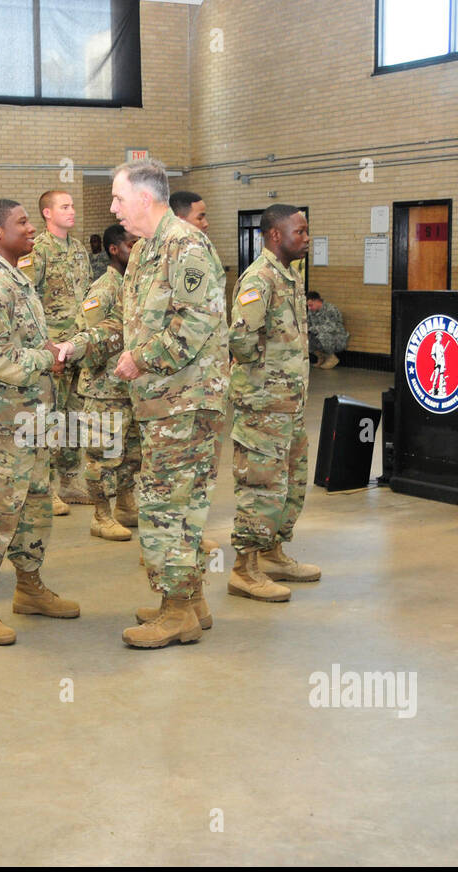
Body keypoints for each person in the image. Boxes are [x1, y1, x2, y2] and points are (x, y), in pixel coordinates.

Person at [107, 159, 229, 649]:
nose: (114, 208)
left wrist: (140, 359)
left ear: (144, 197)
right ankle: (189, 601)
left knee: (168, 507)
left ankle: (176, 610)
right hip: (162, 401)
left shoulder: (185, 245)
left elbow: (193, 327)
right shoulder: (144, 252)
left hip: (185, 401)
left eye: (118, 198)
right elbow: (135, 319)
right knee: (181, 502)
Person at [0, 199, 79, 645]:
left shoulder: (18, 280)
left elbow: (26, 342)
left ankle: (29, 588)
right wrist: (46, 359)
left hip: (31, 418)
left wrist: (55, 350)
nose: (30, 229)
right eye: (22, 222)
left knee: (35, 505)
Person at [226, 204, 322, 603]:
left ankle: (273, 551)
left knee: (291, 481)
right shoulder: (259, 279)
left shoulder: (292, 276)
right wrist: (262, 380)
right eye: (299, 232)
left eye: (306, 231)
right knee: (261, 485)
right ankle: (244, 569)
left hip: (290, 405)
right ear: (274, 236)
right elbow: (241, 340)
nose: (306, 238)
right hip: (264, 405)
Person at [60, 223, 141, 541]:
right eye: (132, 244)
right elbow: (90, 338)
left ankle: (124, 503)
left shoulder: (133, 285)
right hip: (105, 388)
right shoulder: (104, 288)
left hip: (130, 385)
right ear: (114, 249)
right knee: (103, 455)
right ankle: (100, 515)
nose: (137, 249)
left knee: (131, 453)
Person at [21, 189, 93, 514]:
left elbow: (88, 295)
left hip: (76, 345)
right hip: (49, 349)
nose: (72, 211)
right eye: (64, 207)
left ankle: (70, 480)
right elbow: (26, 300)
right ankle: (44, 487)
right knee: (47, 418)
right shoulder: (37, 251)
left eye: (73, 206)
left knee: (75, 415)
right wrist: (44, 347)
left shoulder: (78, 249)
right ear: (47, 213)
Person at [306, 291, 348, 369]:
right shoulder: (311, 311)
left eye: (311, 305)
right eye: (308, 306)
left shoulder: (330, 309)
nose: (309, 308)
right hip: (321, 334)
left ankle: (331, 358)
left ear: (317, 301)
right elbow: (308, 324)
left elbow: (332, 327)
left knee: (322, 335)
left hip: (336, 337)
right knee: (305, 336)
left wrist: (313, 329)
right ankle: (321, 357)